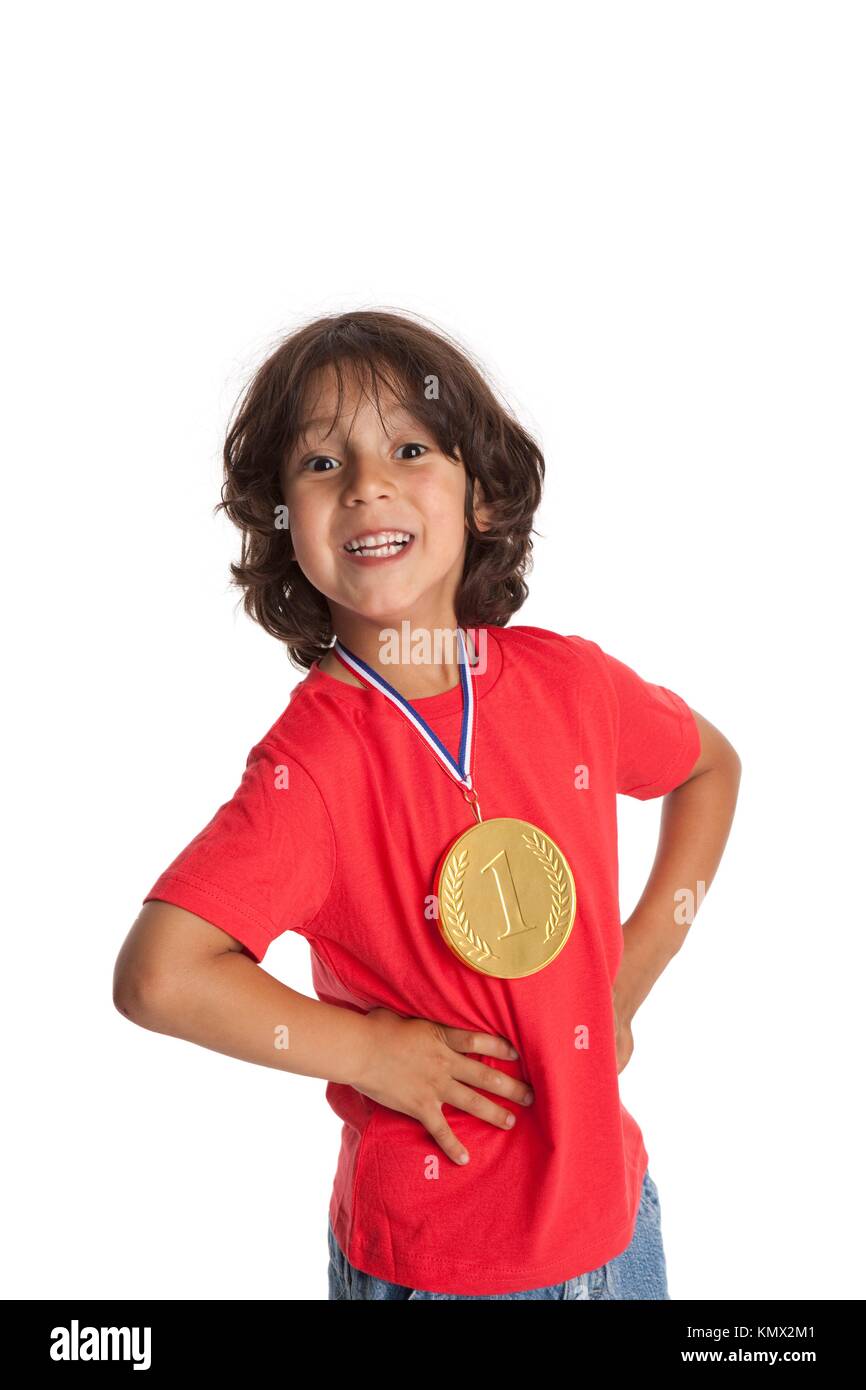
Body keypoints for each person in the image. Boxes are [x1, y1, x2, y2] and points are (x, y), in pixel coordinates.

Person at [113, 309, 741, 1300]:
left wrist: (635, 966)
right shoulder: (313, 763)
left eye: (409, 447)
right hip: (445, 1269)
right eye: (320, 464)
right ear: (284, 527)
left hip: (617, 1225)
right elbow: (159, 975)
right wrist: (367, 1050)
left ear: (482, 498)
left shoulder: (572, 685)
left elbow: (708, 769)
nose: (367, 481)